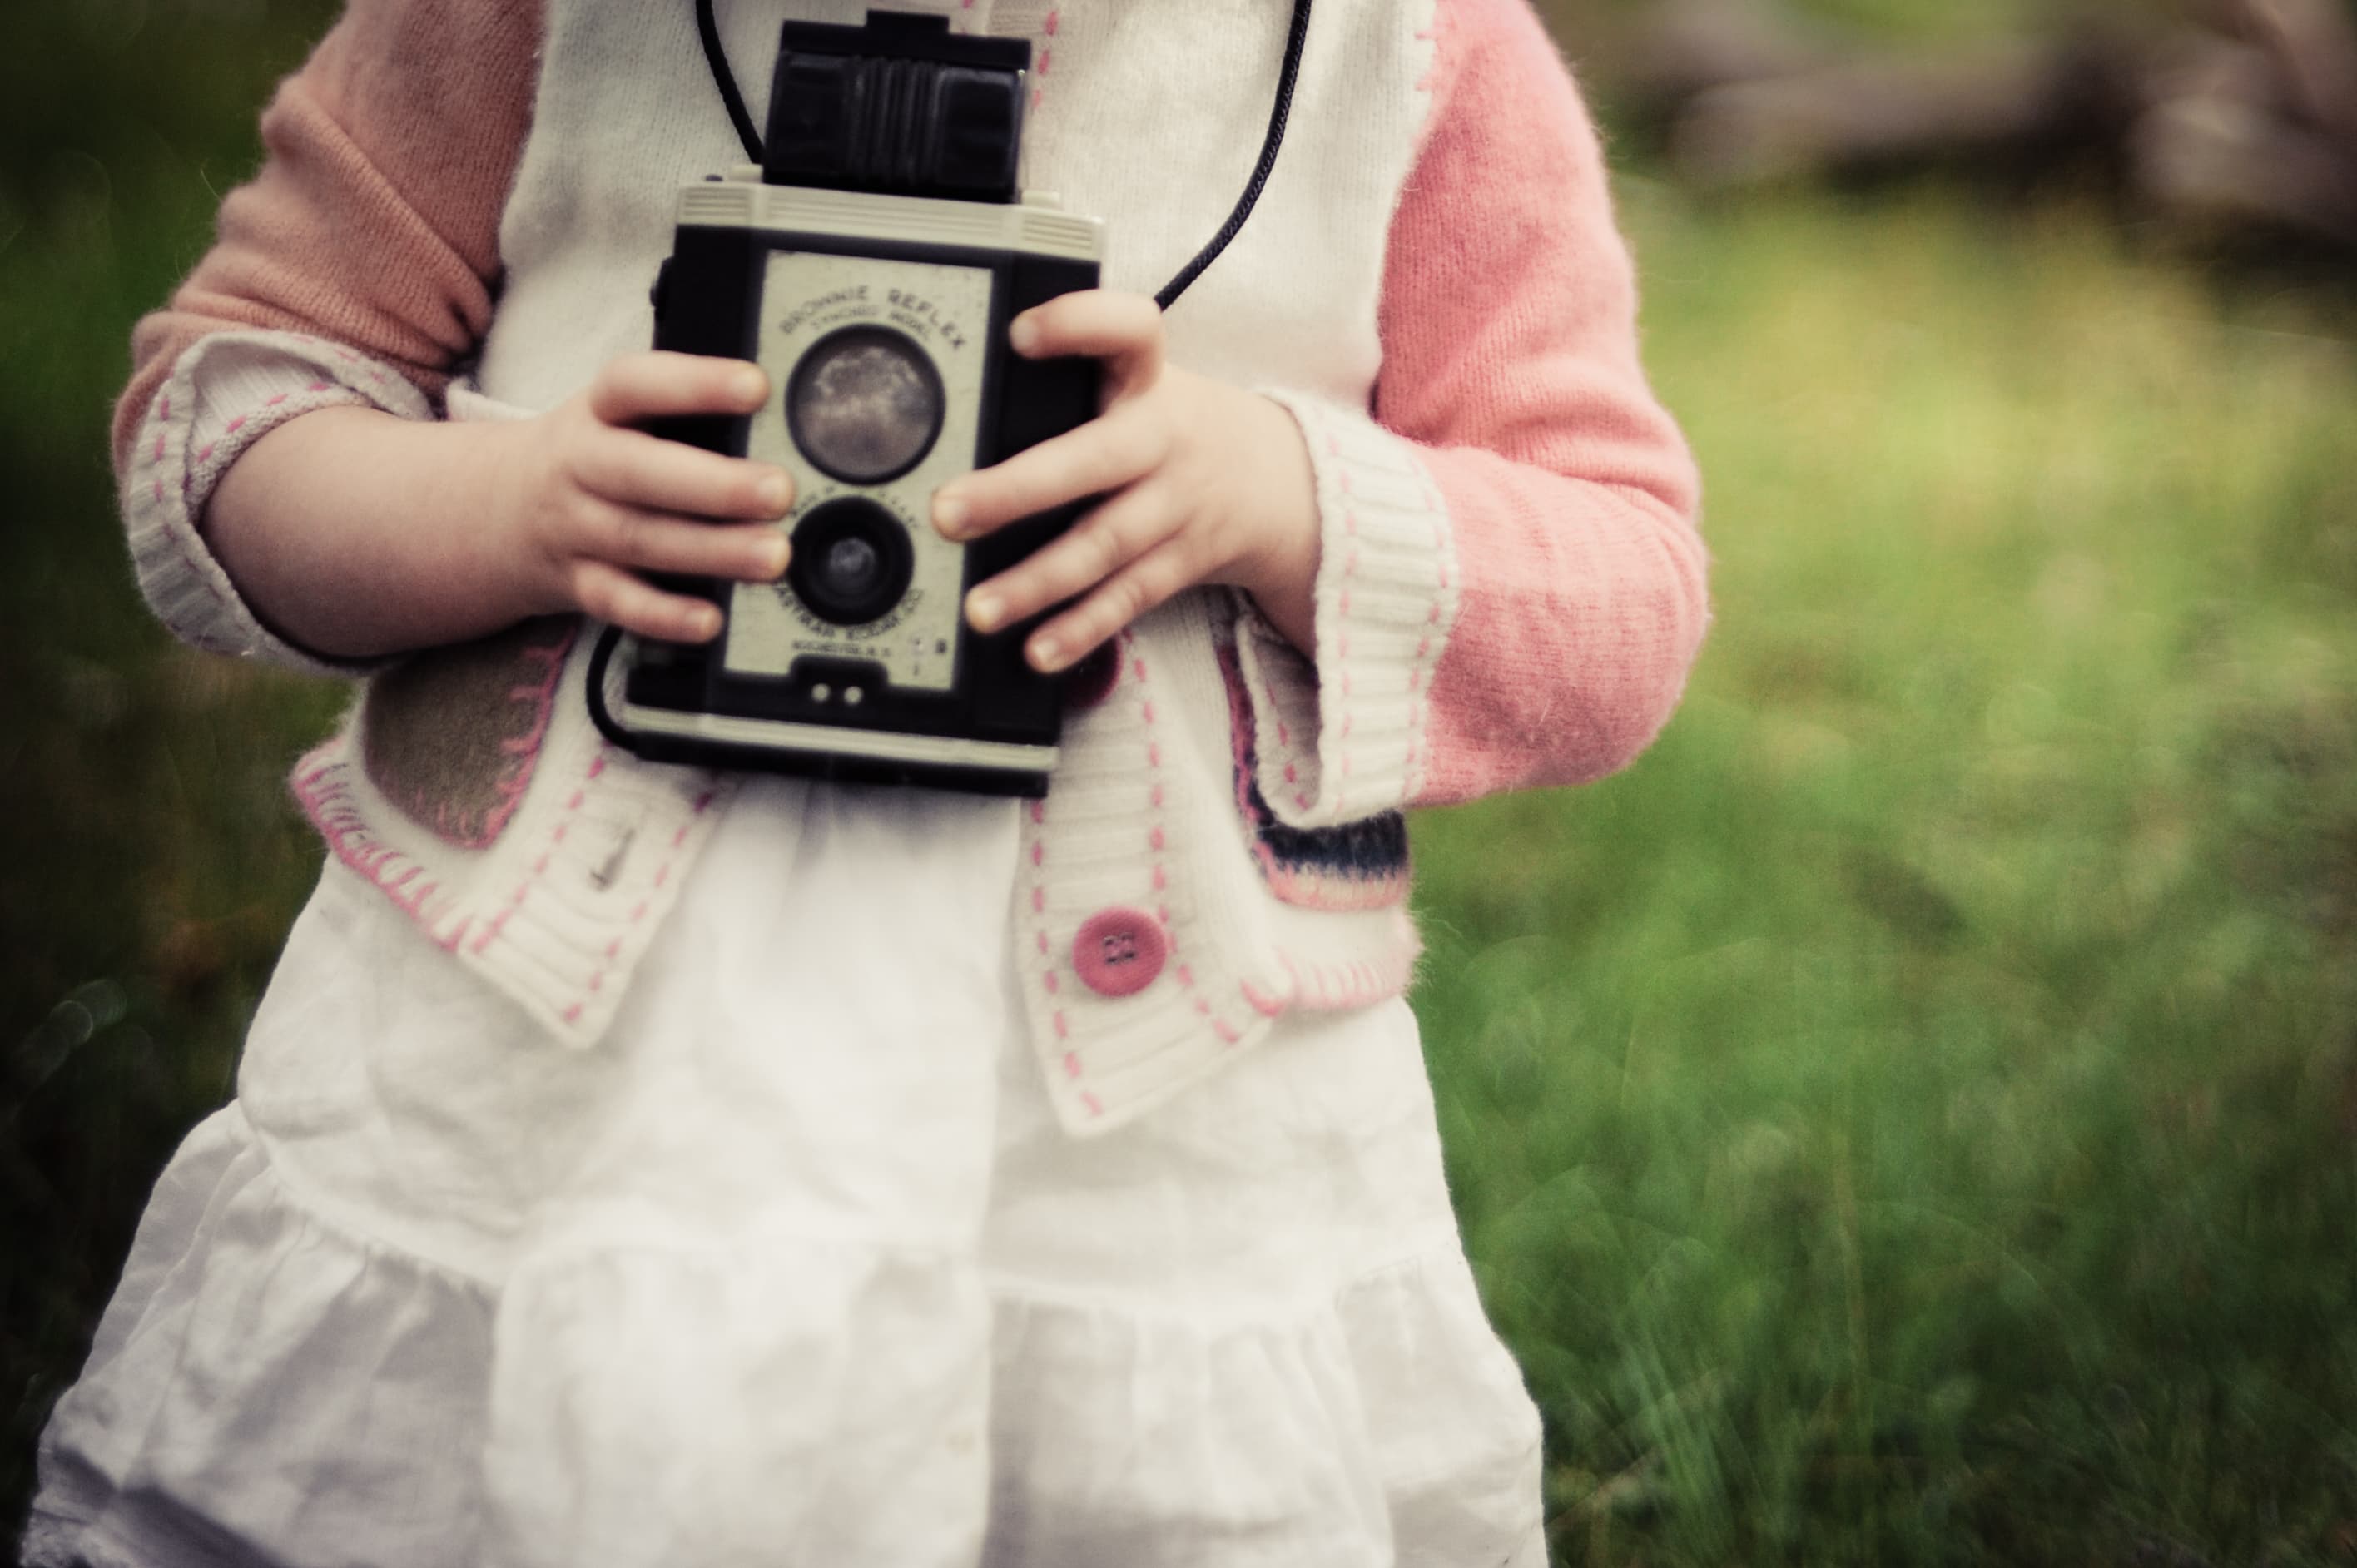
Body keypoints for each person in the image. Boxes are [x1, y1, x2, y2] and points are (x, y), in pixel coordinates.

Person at [24, 0, 1707, 1561]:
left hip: (1136, 1166)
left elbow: (1625, 592)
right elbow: (230, 411)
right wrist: (510, 510)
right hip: (544, 1108)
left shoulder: (1405, 49)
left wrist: (1279, 491)